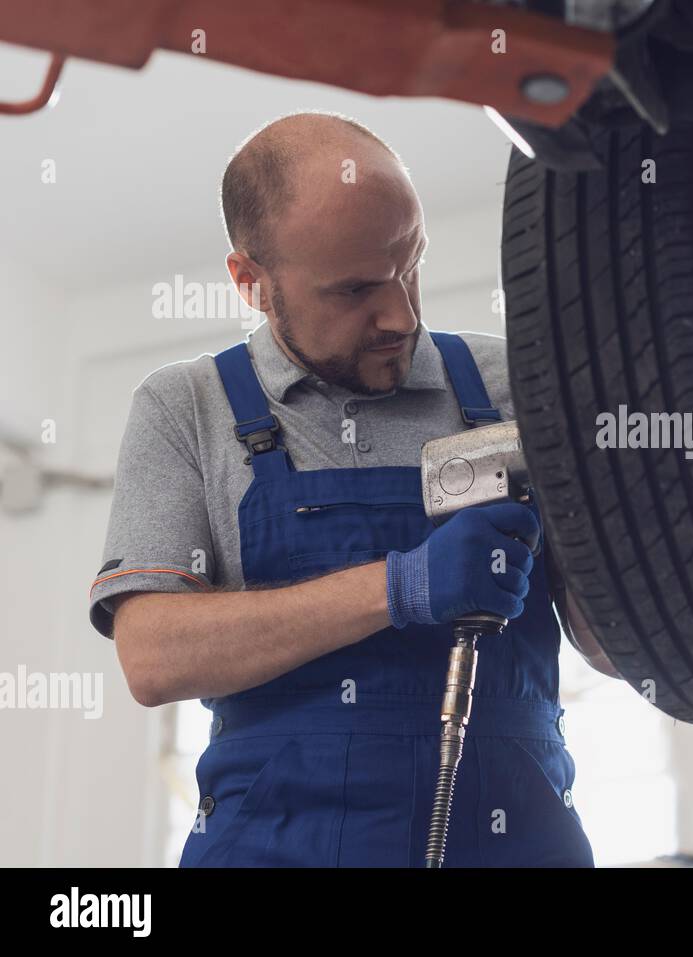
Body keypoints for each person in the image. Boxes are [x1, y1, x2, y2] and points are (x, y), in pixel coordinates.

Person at [88, 111, 617, 867]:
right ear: (252, 282)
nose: (400, 314)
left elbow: (618, 652)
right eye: (354, 290)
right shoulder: (187, 406)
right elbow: (153, 657)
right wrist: (401, 586)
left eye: (411, 264)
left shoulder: (521, 386)